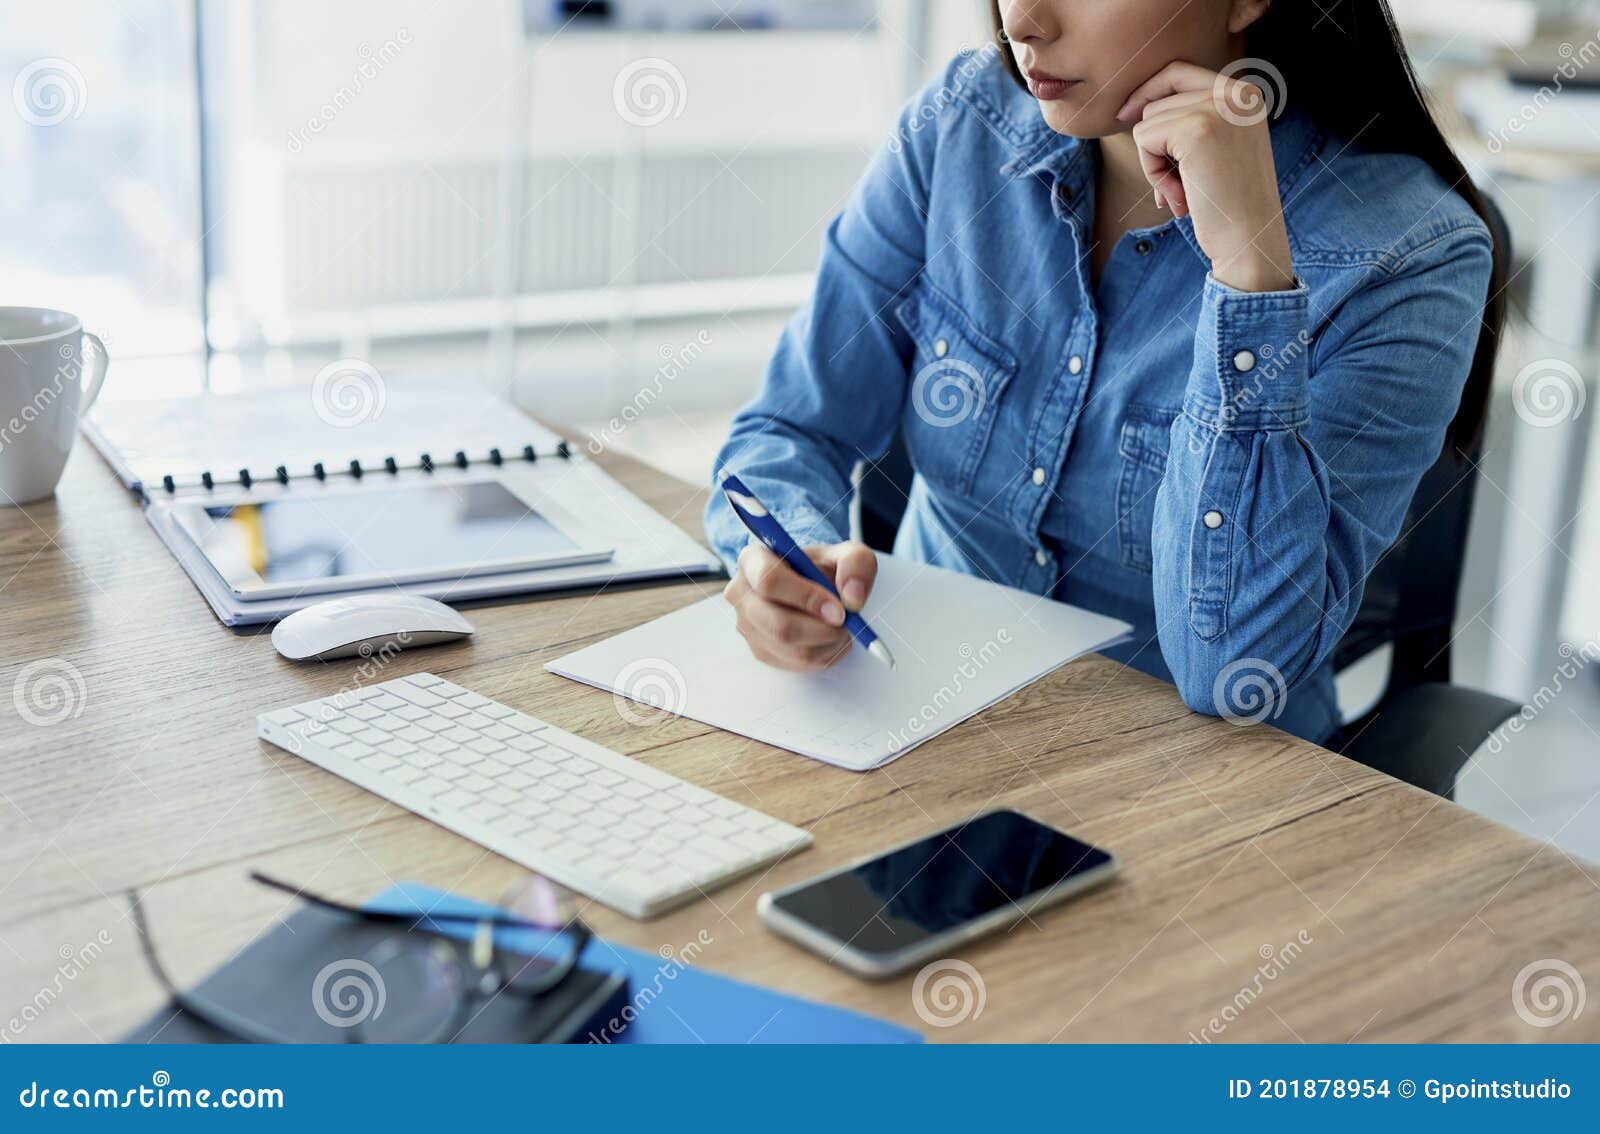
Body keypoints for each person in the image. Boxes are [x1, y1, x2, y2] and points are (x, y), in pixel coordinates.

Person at [703, 0, 1503, 745]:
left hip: (1193, 796)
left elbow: (1233, 674)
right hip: (917, 724)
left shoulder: (1411, 255)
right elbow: (789, 428)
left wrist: (1249, 271)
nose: (1023, 20)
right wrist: (787, 559)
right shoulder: (963, 124)